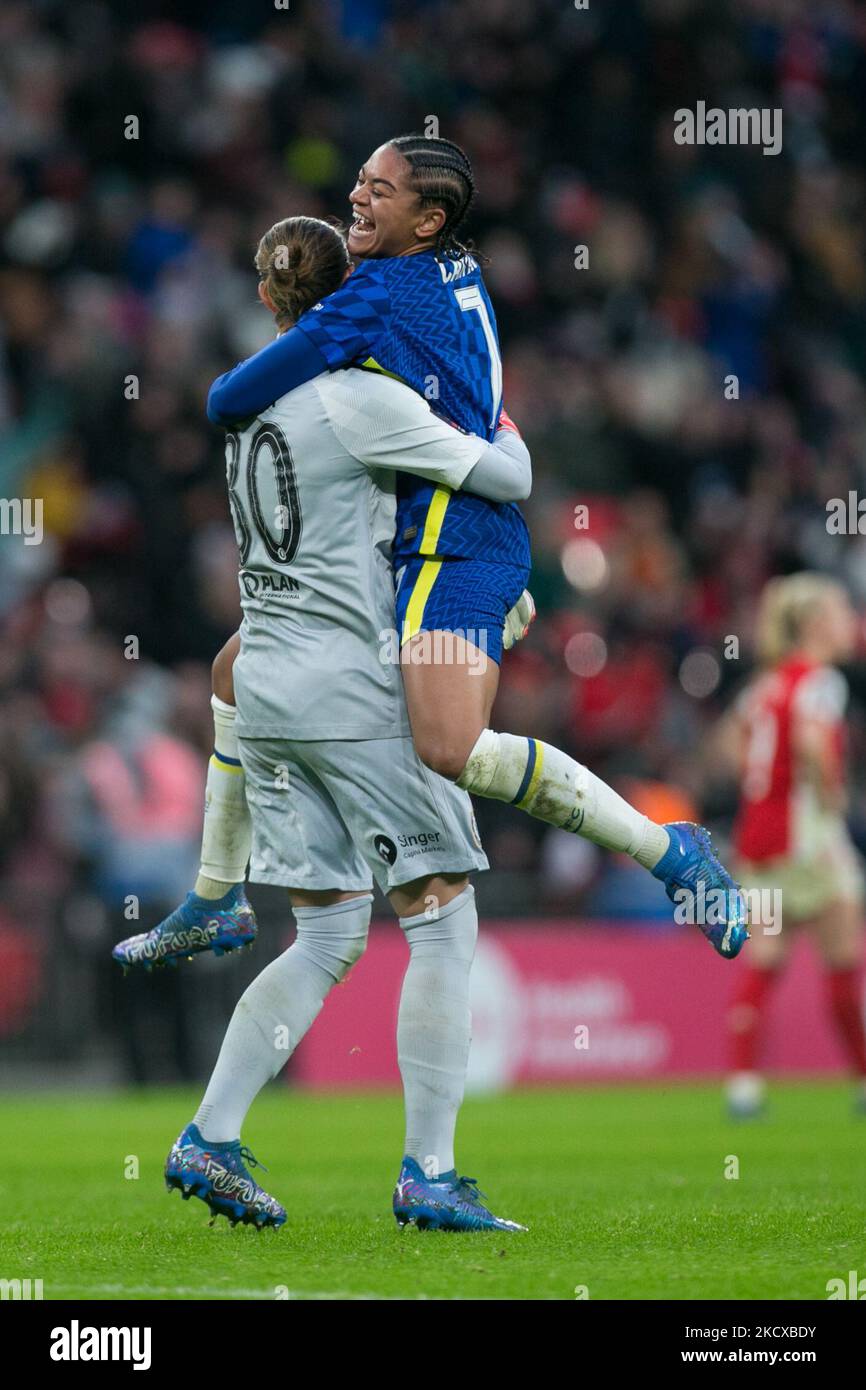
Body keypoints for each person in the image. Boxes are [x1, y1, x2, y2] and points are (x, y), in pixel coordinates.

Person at [119, 135, 749, 967]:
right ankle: (216, 895)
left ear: (428, 218)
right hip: (443, 544)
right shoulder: (462, 273)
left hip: (446, 548)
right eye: (359, 182)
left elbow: (227, 396)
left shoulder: (371, 296)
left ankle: (667, 851)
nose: (357, 199)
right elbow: (481, 400)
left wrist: (329, 355)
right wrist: (503, 437)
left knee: (450, 749)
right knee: (239, 666)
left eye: (379, 191)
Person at [142, 214, 535, 1231]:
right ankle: (429, 1173)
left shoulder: (252, 409)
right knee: (443, 917)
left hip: (266, 686)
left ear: (270, 300)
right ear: (354, 298)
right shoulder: (364, 397)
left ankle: (208, 1136)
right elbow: (502, 480)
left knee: (323, 933)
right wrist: (496, 419)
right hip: (349, 689)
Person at [723, 574, 866, 1117]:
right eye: (841, 611)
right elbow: (811, 743)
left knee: (763, 962)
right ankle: (862, 1081)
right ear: (813, 624)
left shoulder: (764, 685)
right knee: (844, 962)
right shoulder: (820, 681)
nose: (850, 622)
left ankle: (743, 1086)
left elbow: (737, 747)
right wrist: (832, 794)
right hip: (809, 840)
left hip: (760, 841)